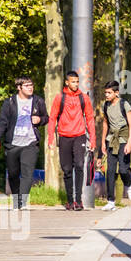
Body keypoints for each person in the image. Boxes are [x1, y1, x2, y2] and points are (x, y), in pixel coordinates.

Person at [0, 77, 48, 210]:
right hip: (12, 144)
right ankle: (16, 200)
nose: (30, 87)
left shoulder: (38, 101)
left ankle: (22, 202)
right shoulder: (10, 102)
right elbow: (2, 122)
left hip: (30, 143)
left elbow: (47, 118)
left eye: (31, 85)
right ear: (19, 87)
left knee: (27, 173)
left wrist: (40, 119)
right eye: (27, 85)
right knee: (12, 174)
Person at [47, 70, 96, 211]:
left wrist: (92, 139)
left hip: (79, 135)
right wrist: (51, 138)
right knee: (67, 169)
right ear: (67, 82)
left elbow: (90, 119)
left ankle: (79, 200)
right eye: (72, 82)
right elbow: (52, 119)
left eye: (77, 82)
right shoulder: (59, 98)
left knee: (80, 165)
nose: (75, 84)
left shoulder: (84, 98)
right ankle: (69, 200)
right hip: (64, 137)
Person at [97, 81, 131, 210]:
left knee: (123, 169)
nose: (106, 95)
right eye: (105, 92)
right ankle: (111, 201)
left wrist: (130, 142)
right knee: (110, 171)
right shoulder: (106, 105)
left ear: (116, 93)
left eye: (109, 92)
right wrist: (102, 143)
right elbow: (105, 124)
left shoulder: (124, 104)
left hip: (123, 138)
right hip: (111, 139)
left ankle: (129, 184)